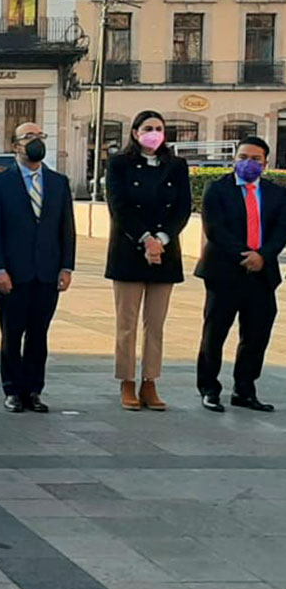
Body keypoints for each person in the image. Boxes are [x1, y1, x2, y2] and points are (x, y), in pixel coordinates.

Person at [0, 122, 76, 413]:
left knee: (39, 334)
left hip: (47, 272)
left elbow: (66, 228)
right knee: (12, 333)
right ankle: (12, 390)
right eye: (29, 136)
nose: (36, 141)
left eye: (40, 136)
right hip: (12, 274)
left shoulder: (58, 182)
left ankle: (33, 390)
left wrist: (66, 267)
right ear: (15, 145)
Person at [105, 110, 191, 411]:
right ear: (135, 132)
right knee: (126, 323)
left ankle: (150, 381)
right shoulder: (119, 164)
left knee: (155, 324)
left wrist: (162, 240)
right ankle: (127, 381)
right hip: (130, 250)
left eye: (159, 128)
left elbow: (182, 208)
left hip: (165, 254)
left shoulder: (176, 166)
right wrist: (146, 239)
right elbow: (119, 205)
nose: (154, 133)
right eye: (148, 128)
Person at [195, 137, 286, 412]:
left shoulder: (277, 193)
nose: (249, 163)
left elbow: (281, 230)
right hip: (224, 272)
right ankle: (209, 388)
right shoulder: (217, 189)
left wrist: (263, 256)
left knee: (256, 334)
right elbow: (215, 229)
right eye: (243, 157)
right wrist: (244, 255)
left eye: (256, 159)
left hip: (262, 274)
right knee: (215, 333)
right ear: (234, 158)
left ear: (265, 163)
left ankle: (245, 390)